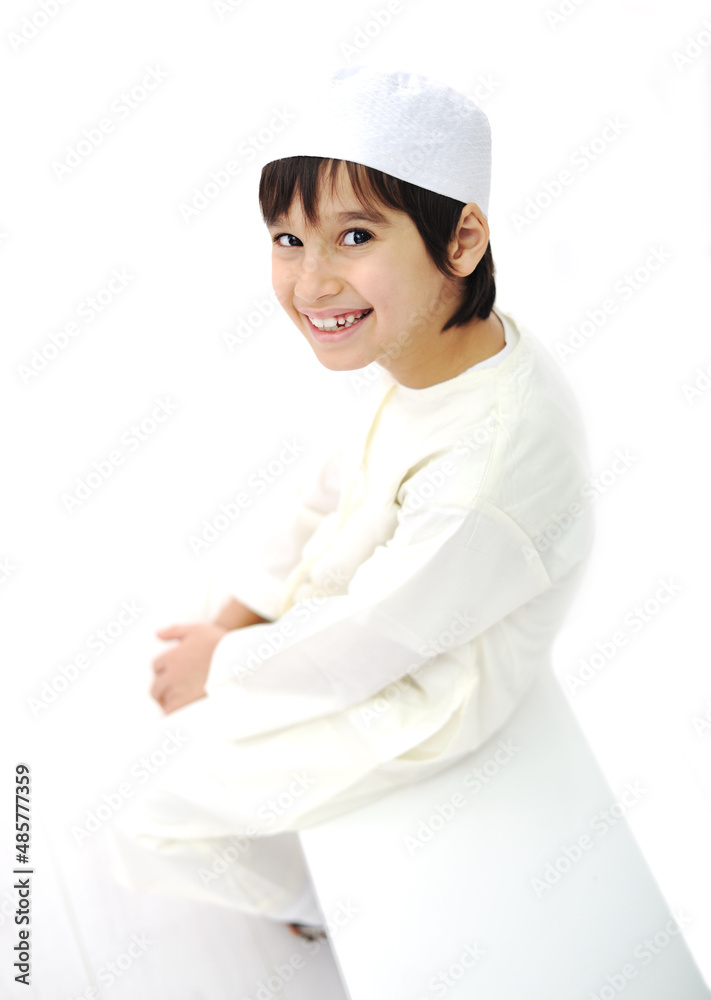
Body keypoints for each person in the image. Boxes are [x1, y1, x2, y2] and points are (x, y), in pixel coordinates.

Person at [108, 65, 595, 934]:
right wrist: (237, 617)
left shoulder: (486, 461)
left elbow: (376, 639)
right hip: (381, 616)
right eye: (288, 240)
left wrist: (218, 668)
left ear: (462, 239)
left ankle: (324, 912)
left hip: (434, 688)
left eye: (355, 235)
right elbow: (328, 488)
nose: (311, 282)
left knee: (156, 824)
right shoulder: (435, 354)